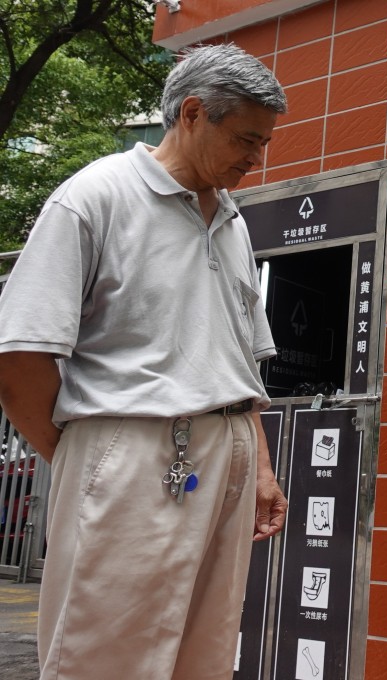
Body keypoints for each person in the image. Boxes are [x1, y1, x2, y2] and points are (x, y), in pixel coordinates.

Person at [0, 44, 289, 680]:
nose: (256, 158)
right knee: (105, 653)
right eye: (246, 139)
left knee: (205, 652)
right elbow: (20, 356)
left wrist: (262, 467)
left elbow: (239, 360)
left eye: (263, 142)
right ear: (192, 113)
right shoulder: (95, 196)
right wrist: (88, 456)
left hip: (229, 452)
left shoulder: (233, 222)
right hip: (132, 447)